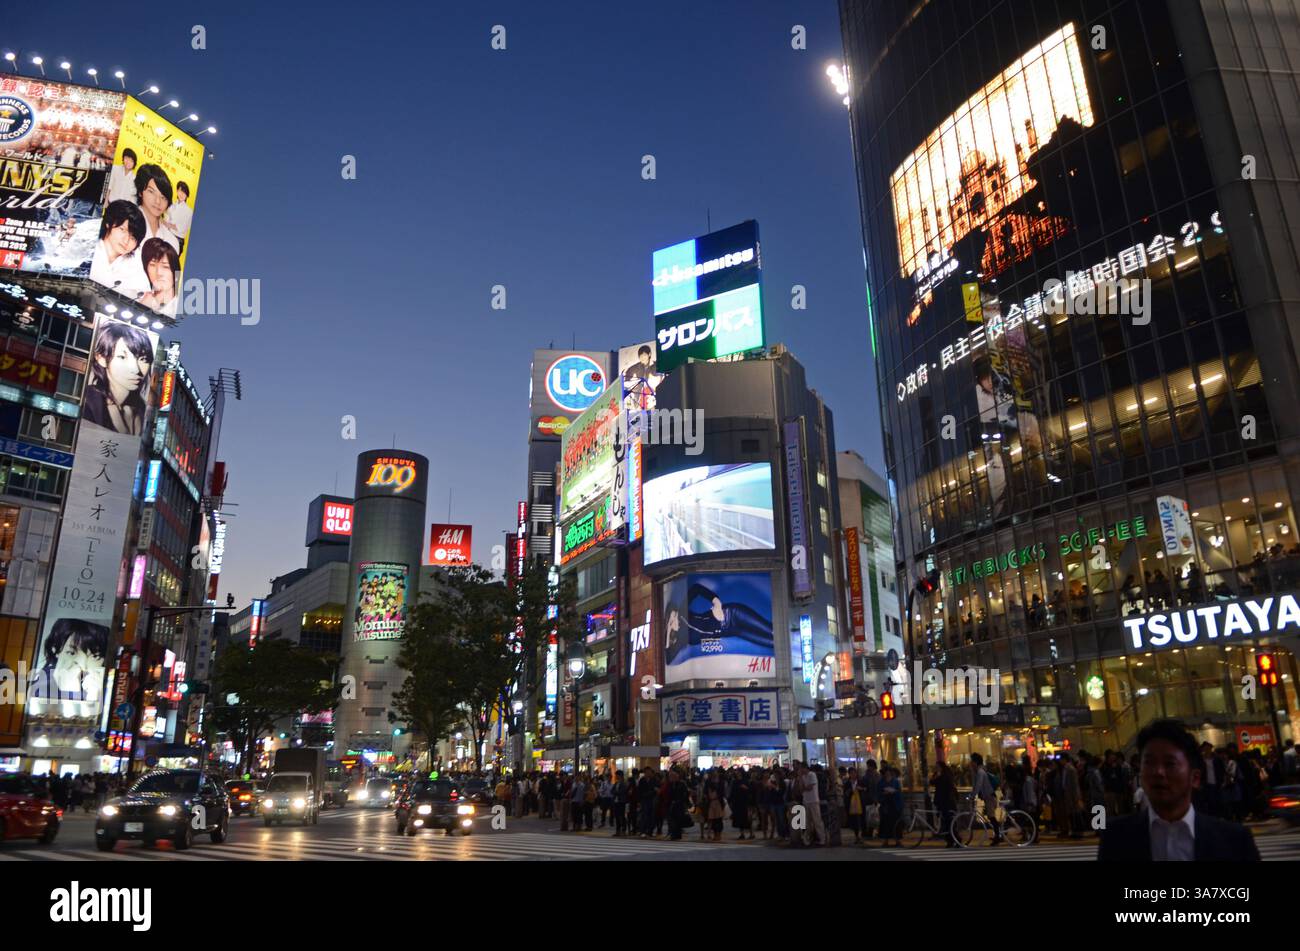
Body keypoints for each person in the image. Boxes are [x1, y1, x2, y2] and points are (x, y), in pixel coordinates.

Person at [1099, 719, 1261, 861]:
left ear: (1195, 778)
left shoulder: (1235, 841)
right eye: (1149, 763)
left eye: (1170, 764)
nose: (1158, 772)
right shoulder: (1116, 838)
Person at [81, 321, 154, 436]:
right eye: (122, 357)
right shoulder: (87, 400)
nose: (136, 369)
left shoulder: (141, 409)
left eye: (143, 359)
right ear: (101, 358)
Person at [27, 618, 109, 704]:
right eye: (72, 653)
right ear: (55, 649)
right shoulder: (41, 686)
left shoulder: (105, 686)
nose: (83, 666)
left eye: (95, 656)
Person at [89, 199, 148, 296]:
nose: (126, 240)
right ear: (108, 223)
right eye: (122, 229)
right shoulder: (88, 246)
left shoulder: (135, 265)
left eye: (133, 238)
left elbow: (143, 298)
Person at [133, 163, 181, 254]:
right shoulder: (125, 223)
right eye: (151, 192)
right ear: (140, 192)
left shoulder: (172, 242)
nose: (158, 201)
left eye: (163, 197)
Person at [135, 238, 180, 317]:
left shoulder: (181, 309)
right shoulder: (136, 297)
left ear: (175, 270)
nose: (159, 272)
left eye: (165, 267)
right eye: (152, 265)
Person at [969, 752, 1003, 844]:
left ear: (975, 762)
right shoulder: (979, 771)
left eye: (971, 761)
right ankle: (998, 835)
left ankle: (998, 836)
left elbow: (978, 785)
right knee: (990, 816)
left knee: (991, 817)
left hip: (989, 797)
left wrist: (972, 796)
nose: (970, 763)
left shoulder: (980, 772)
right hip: (988, 797)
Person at [797, 761, 825, 846]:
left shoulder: (812, 774)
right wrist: (800, 777)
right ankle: (807, 839)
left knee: (817, 821)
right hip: (806, 801)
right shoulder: (803, 777)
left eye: (801, 768)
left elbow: (809, 788)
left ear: (805, 768)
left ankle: (822, 839)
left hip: (814, 801)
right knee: (807, 822)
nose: (800, 770)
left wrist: (804, 787)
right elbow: (801, 789)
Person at [933, 762, 959, 847]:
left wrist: (936, 775)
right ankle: (951, 841)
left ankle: (956, 840)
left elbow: (933, 782)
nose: (936, 768)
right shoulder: (946, 776)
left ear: (941, 767)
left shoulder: (943, 777)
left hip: (946, 803)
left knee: (949, 823)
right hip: (947, 803)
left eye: (937, 767)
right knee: (948, 823)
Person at [878, 766, 904, 846]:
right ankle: (885, 840)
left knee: (896, 823)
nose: (888, 773)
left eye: (889, 772)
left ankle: (897, 840)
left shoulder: (895, 781)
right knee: (885, 823)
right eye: (886, 772)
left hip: (894, 804)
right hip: (885, 804)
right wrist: (883, 793)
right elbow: (878, 792)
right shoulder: (881, 782)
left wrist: (894, 792)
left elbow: (899, 791)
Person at [611, 771, 628, 836]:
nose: (616, 776)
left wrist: (616, 792)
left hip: (622, 802)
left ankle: (623, 830)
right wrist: (616, 792)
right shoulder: (616, 783)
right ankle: (618, 830)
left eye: (617, 775)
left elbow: (622, 792)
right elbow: (612, 791)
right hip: (616, 801)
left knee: (622, 816)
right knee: (617, 816)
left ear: (620, 775)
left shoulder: (624, 783)